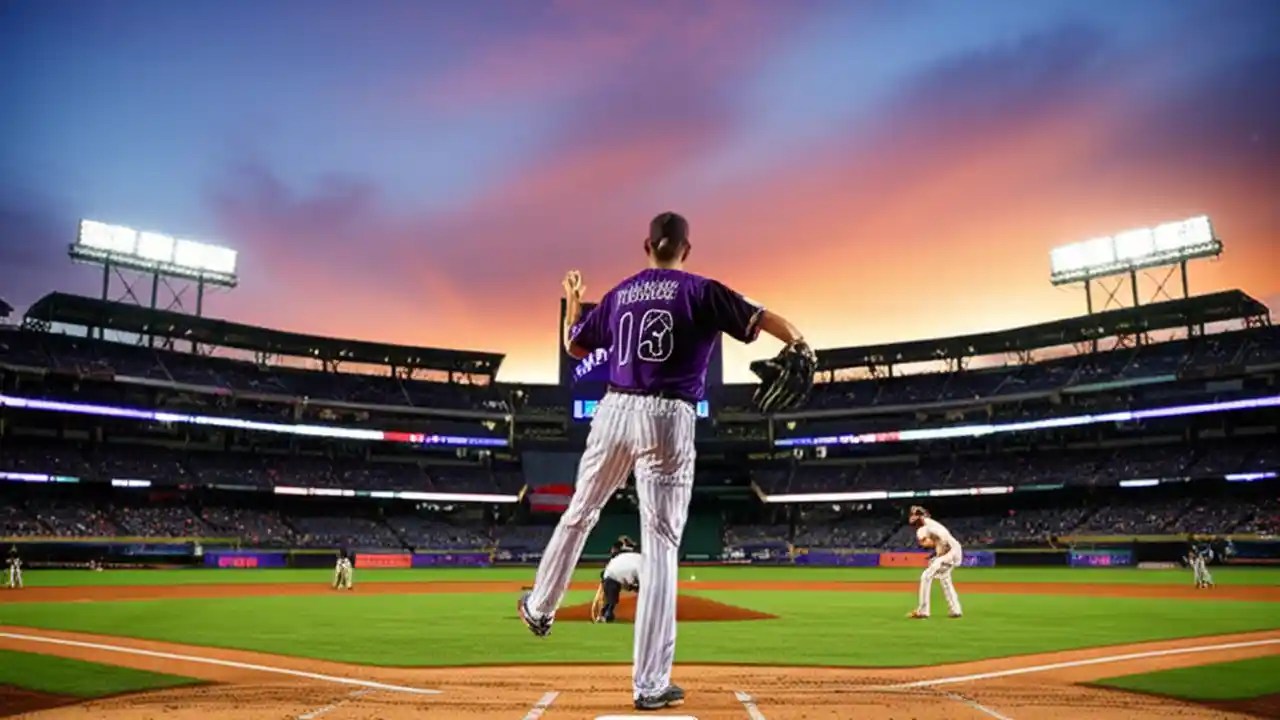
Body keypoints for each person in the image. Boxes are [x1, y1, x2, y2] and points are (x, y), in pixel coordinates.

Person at [518, 211, 809, 711]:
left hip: (613, 411)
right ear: (686, 250)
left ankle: (541, 606)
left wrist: (572, 294)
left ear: (646, 245)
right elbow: (762, 319)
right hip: (669, 417)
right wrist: (801, 342)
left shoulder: (620, 293)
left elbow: (573, 343)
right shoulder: (700, 289)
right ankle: (650, 684)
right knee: (662, 548)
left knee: (580, 512)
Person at [906, 506, 963, 619]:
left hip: (949, 551)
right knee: (945, 579)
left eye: (915, 515)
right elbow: (939, 540)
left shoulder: (923, 529)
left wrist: (939, 555)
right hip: (955, 549)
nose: (913, 517)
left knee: (926, 576)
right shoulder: (931, 524)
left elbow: (933, 542)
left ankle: (923, 611)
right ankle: (955, 610)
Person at [593, 544, 642, 623]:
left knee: (610, 599)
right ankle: (607, 615)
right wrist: (635, 587)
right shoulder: (641, 560)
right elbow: (631, 585)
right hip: (615, 575)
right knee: (612, 599)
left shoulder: (626, 555)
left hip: (609, 574)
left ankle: (604, 614)